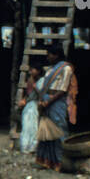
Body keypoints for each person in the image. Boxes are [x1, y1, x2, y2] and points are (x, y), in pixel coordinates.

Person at [34, 42, 77, 171]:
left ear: (57, 55)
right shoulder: (51, 69)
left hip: (56, 102)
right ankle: (46, 161)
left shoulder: (66, 68)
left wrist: (48, 102)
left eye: (50, 55)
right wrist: (42, 101)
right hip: (46, 100)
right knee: (46, 132)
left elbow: (62, 90)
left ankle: (60, 161)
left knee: (58, 130)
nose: (48, 57)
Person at [17, 65, 42, 154]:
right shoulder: (30, 80)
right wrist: (24, 100)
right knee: (27, 126)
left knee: (33, 127)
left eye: (33, 69)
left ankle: (31, 147)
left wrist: (35, 88)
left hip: (34, 105)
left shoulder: (41, 81)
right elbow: (28, 94)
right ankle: (25, 147)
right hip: (29, 105)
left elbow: (42, 95)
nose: (31, 71)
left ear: (38, 71)